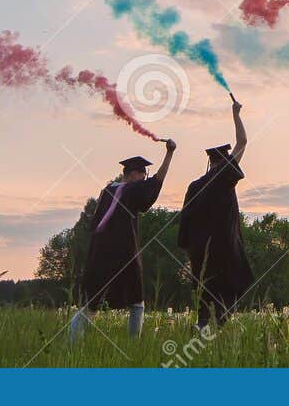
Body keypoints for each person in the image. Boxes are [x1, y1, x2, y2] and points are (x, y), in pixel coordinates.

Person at [70, 138, 177, 343]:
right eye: (142, 174)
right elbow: (156, 182)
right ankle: (133, 344)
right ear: (133, 174)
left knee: (91, 306)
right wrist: (169, 153)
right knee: (137, 303)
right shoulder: (130, 190)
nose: (144, 177)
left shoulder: (108, 190)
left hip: (98, 256)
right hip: (124, 255)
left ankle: (71, 344)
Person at [177, 94, 255, 328]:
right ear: (224, 161)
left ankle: (202, 328)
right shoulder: (223, 176)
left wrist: (188, 250)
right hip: (222, 248)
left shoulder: (195, 185)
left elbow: (185, 223)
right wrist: (236, 115)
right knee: (228, 288)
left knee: (204, 292)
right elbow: (242, 142)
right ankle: (219, 330)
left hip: (199, 252)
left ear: (210, 161)